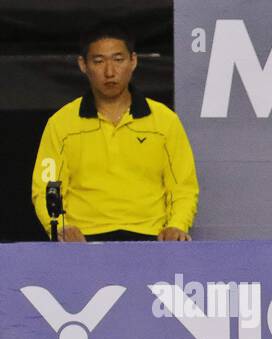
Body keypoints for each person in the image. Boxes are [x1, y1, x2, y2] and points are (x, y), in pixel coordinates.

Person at [30, 23, 198, 242]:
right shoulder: (61, 124)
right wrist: (60, 228)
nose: (109, 72)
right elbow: (46, 187)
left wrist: (177, 225)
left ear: (133, 61)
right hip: (84, 241)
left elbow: (183, 186)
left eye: (118, 60)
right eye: (98, 61)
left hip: (151, 239)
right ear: (83, 65)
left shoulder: (165, 121)